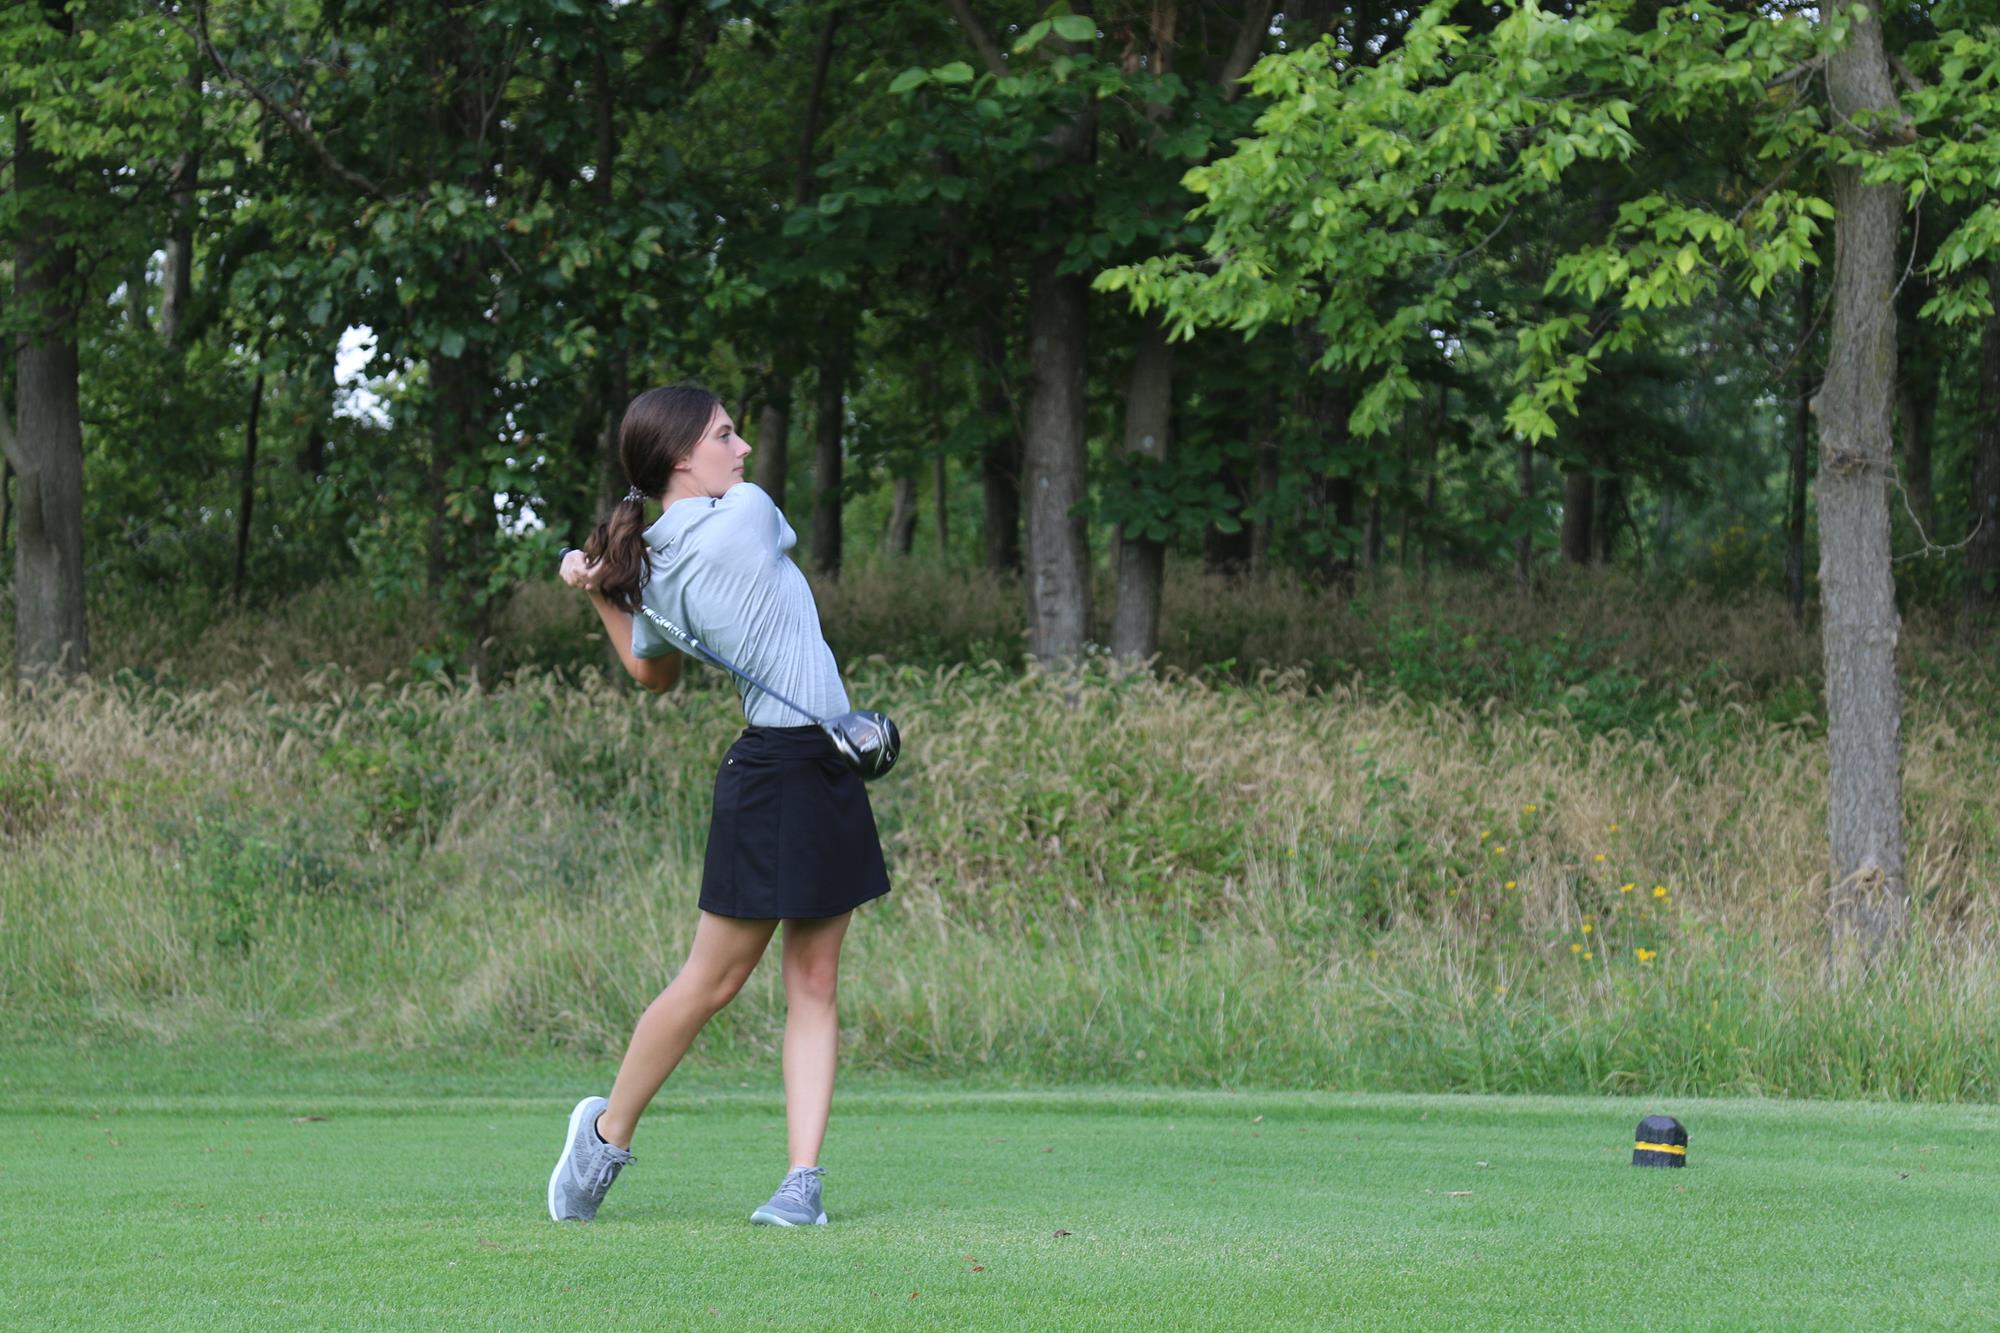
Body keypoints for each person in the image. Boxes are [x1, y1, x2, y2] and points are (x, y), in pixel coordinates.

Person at [545, 384, 890, 1227]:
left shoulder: (653, 567)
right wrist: (607, 583)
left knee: (814, 976)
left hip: (822, 760)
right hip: (776, 767)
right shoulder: (748, 514)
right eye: (726, 436)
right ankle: (601, 1133)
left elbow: (650, 672)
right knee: (713, 979)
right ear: (679, 461)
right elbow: (676, 649)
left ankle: (800, 1184)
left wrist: (597, 588)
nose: (742, 451)